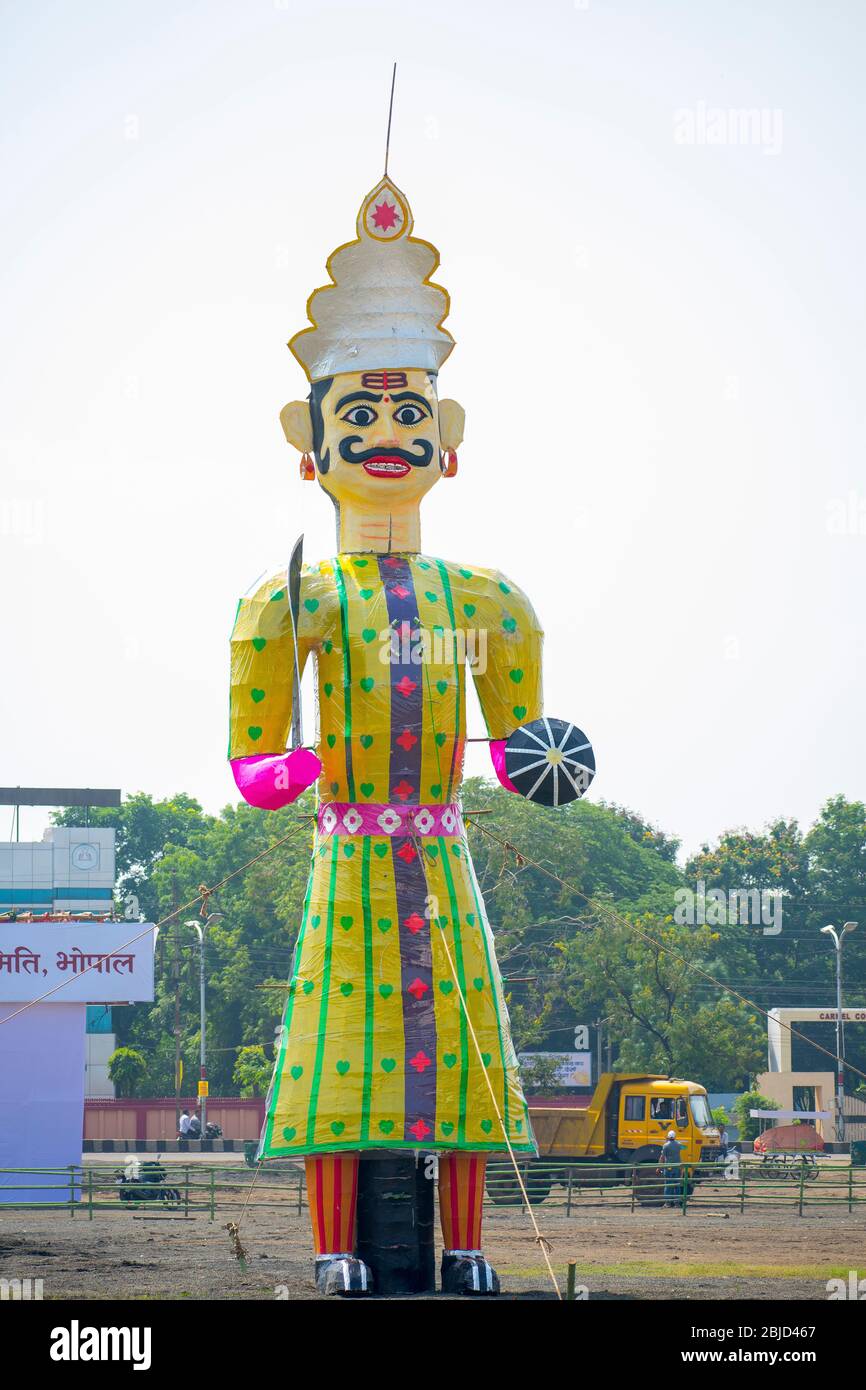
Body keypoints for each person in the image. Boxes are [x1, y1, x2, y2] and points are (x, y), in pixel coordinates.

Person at [228, 171, 592, 1298]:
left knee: (463, 1066)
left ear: (450, 439)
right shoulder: (287, 600)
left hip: (442, 849)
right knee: (339, 1058)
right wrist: (280, 768)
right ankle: (334, 1248)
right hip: (346, 859)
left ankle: (469, 1244)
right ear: (308, 443)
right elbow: (254, 756)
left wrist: (552, 762)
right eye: (358, 415)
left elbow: (522, 745)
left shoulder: (486, 600)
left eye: (408, 415)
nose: (386, 433)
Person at [662, 1129, 685, 1206]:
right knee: (677, 1185)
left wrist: (659, 1167)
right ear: (675, 1137)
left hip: (668, 1167)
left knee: (668, 1185)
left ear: (668, 1137)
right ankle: (677, 1203)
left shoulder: (665, 1145)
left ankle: (668, 1203)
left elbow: (662, 1156)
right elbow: (683, 1147)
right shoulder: (679, 1144)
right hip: (677, 1167)